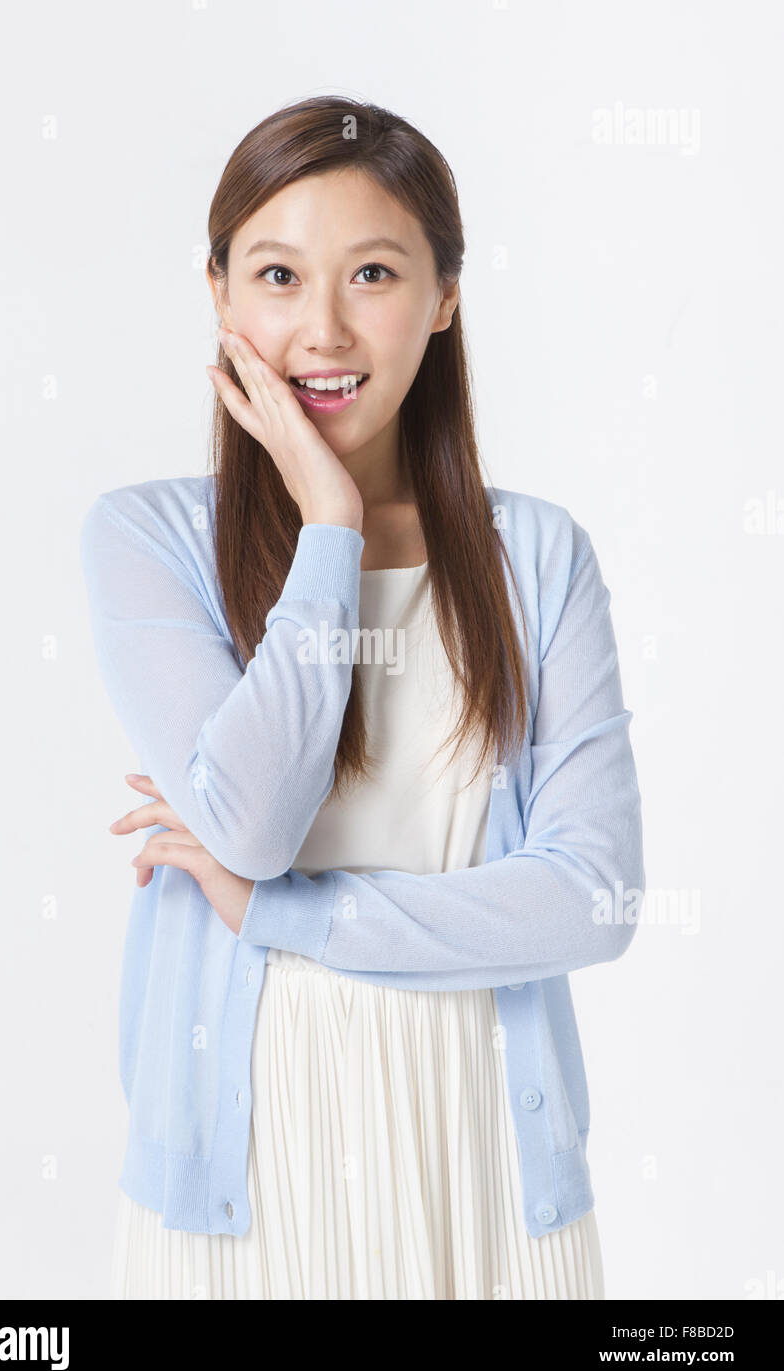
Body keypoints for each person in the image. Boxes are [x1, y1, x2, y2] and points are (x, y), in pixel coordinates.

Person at [81, 94, 645, 1300]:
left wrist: (288, 916)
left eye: (373, 273)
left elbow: (593, 896)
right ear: (221, 297)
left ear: (443, 296)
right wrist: (329, 528)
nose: (322, 329)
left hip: (487, 1155)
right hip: (243, 1183)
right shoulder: (149, 541)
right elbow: (251, 826)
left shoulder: (536, 559)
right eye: (277, 275)